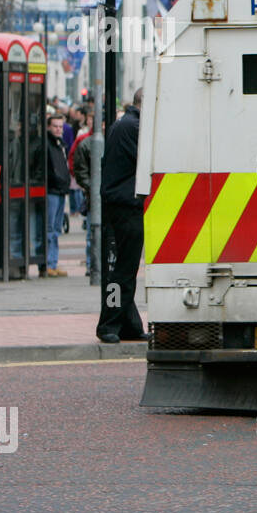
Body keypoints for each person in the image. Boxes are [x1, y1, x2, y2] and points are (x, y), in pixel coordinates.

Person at [97, 88, 146, 343]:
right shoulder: (135, 127)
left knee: (126, 269)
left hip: (120, 202)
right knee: (123, 271)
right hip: (127, 204)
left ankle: (129, 324)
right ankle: (108, 325)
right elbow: (148, 161)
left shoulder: (124, 123)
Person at [70, 111, 98, 277]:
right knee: (91, 231)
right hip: (92, 194)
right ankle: (91, 264)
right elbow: (78, 167)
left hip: (107, 194)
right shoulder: (85, 143)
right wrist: (90, 187)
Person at [43, 114, 70, 277]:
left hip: (60, 191)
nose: (58, 129)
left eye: (60, 126)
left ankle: (53, 262)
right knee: (50, 228)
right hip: (52, 190)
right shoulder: (48, 144)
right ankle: (48, 263)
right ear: (48, 127)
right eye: (55, 126)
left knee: (56, 229)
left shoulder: (60, 144)